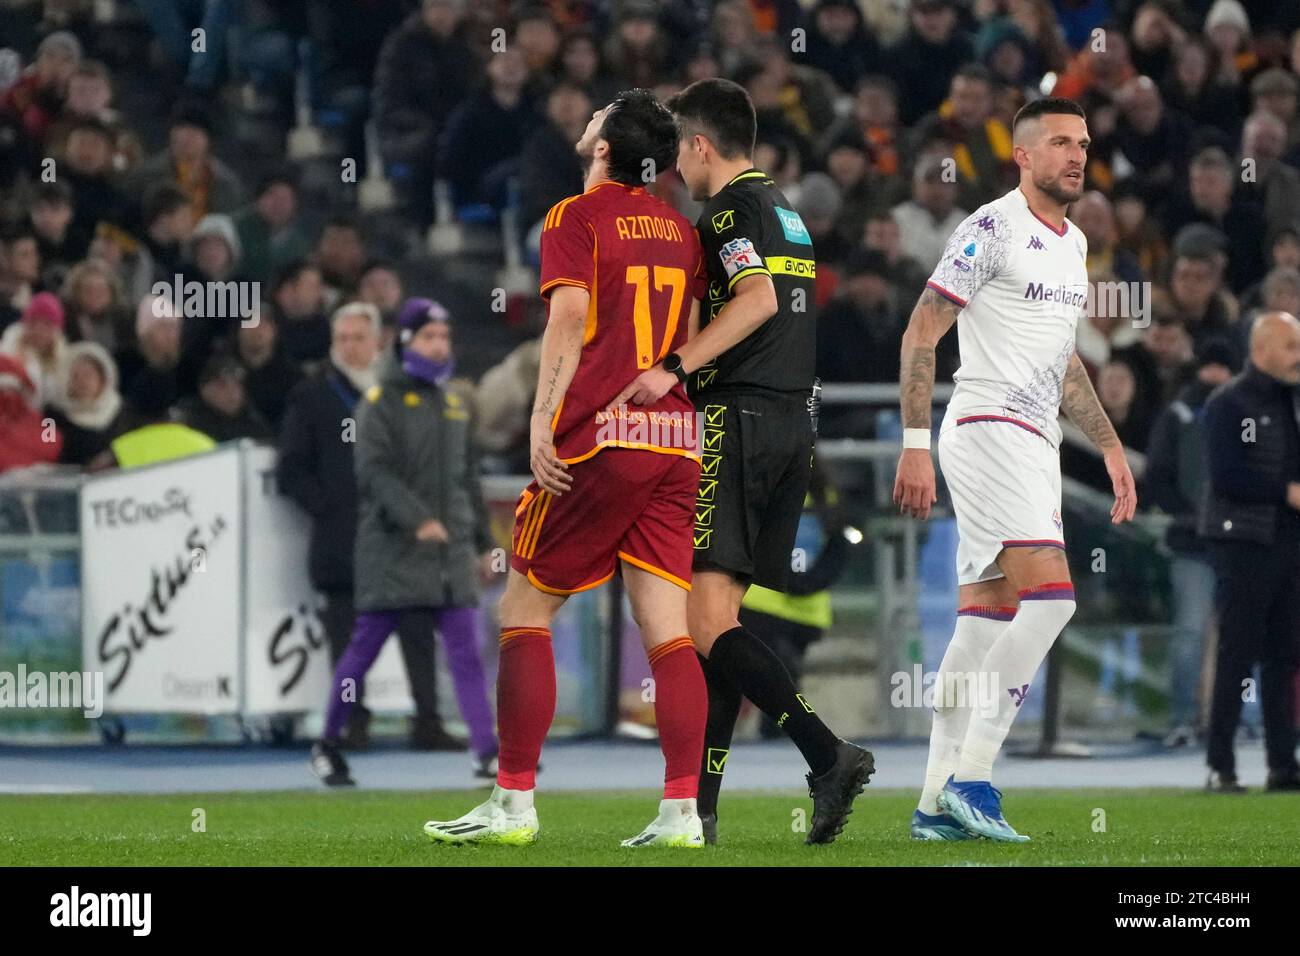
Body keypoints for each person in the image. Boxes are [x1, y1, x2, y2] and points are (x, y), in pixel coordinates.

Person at [425, 90, 710, 849]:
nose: (584, 121)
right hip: (675, 438)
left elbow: (570, 320)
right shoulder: (681, 230)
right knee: (668, 632)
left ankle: (513, 804)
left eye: (597, 118)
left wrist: (542, 418)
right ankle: (683, 813)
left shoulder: (571, 217)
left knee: (523, 613)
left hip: (601, 436)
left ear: (607, 147)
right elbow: (683, 335)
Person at [612, 78, 875, 846]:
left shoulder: (726, 211)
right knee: (716, 621)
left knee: (702, 619)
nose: (676, 172)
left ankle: (826, 753)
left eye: (679, 154)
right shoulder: (789, 215)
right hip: (795, 424)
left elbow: (755, 300)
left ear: (701, 144)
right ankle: (701, 808)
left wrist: (674, 367)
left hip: (740, 417)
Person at [894, 97, 1137, 842]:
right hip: (989, 425)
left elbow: (1064, 368)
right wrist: (912, 441)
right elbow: (923, 328)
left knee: (984, 621)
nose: (1076, 155)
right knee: (1055, 599)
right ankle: (975, 774)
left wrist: (1109, 445)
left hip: (1033, 438)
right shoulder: (992, 227)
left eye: (1085, 144)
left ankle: (935, 803)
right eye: (1060, 142)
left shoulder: (1071, 247)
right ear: (1023, 155)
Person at [312, 298, 499, 786]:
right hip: (393, 553)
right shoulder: (380, 403)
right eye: (429, 337)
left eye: (444, 337)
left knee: (466, 654)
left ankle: (488, 751)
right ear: (406, 342)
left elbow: (467, 480)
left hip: (449, 554)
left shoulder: (455, 402)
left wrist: (481, 543)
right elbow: (373, 472)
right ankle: (328, 742)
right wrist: (417, 519)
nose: (440, 346)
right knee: (361, 655)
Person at [279, 302, 463, 754]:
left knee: (419, 634)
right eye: (341, 338)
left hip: (404, 536)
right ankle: (353, 724)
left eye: (358, 337)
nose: (349, 347)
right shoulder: (313, 397)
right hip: (343, 544)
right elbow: (292, 471)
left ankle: (427, 721)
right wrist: (332, 507)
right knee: (348, 644)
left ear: (378, 341)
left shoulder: (406, 392)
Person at [1197, 311, 1300, 793]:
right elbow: (1226, 476)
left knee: (1286, 654)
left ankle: (1283, 764)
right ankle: (1222, 766)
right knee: (1237, 655)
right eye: (1291, 346)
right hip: (1242, 544)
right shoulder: (1229, 403)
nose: (1298, 356)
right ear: (1262, 350)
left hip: (1289, 543)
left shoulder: (1291, 402)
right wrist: (1286, 491)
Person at [1143, 338, 1237, 748]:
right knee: (1192, 633)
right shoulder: (1180, 414)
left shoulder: (1248, 412)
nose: (1215, 374)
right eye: (1211, 365)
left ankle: (1230, 722)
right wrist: (1192, 514)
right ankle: (1184, 719)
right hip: (1195, 543)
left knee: (1235, 635)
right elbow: (1158, 475)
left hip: (1238, 543)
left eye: (1222, 367)